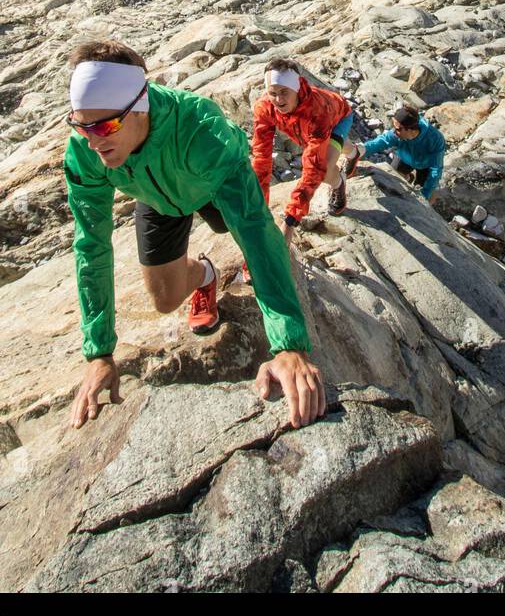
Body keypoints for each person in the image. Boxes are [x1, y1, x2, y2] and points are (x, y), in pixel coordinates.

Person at [62, 40, 325, 431]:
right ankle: (205, 274)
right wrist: (98, 353)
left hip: (211, 184)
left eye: (104, 125)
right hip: (157, 199)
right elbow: (91, 246)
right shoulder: (85, 150)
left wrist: (289, 344)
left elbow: (254, 230)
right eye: (81, 125)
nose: (93, 140)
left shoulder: (202, 132)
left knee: (258, 244)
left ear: (140, 105)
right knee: (165, 300)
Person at [251, 59, 362, 238]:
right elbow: (261, 158)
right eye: (273, 93)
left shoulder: (316, 110)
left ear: (295, 88)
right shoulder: (265, 108)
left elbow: (313, 169)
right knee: (333, 147)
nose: (278, 100)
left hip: (338, 117)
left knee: (324, 168)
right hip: (305, 127)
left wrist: (290, 221)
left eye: (284, 92)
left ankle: (338, 182)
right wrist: (259, 209)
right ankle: (354, 152)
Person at [360, 105, 446, 202]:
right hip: (404, 158)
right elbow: (381, 142)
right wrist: (359, 150)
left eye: (397, 129)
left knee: (429, 195)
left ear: (409, 129)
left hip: (425, 166)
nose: (394, 131)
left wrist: (425, 197)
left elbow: (435, 170)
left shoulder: (435, 139)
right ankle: (409, 177)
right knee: (394, 180)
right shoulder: (397, 134)